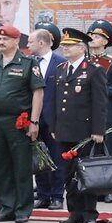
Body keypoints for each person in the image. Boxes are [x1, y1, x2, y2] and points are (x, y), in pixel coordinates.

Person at [0, 25, 45, 223]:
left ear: (16, 41)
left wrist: (34, 121)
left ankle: (23, 209)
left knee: (21, 166)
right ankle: (7, 207)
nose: (0, 43)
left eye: (5, 39)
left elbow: (38, 93)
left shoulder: (27, 63)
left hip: (18, 122)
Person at [52, 29, 107, 223]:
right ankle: (74, 211)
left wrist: (98, 130)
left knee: (86, 173)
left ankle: (89, 212)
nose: (65, 48)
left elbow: (100, 104)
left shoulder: (93, 70)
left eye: (69, 45)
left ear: (81, 47)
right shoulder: (60, 69)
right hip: (65, 130)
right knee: (68, 174)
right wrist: (53, 126)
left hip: (85, 131)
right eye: (64, 45)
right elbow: (55, 101)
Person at [86, 20, 112, 205]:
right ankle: (91, 186)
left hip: (107, 112)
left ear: (106, 41)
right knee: (89, 151)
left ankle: (109, 189)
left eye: (98, 36)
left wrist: (101, 91)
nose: (93, 39)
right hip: (86, 113)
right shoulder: (84, 62)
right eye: (92, 35)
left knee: (108, 151)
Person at [29, 23, 63, 210]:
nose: (28, 44)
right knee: (38, 158)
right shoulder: (29, 62)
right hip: (34, 119)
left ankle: (57, 196)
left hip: (54, 120)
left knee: (57, 159)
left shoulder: (60, 63)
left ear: (41, 43)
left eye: (31, 41)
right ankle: (43, 194)